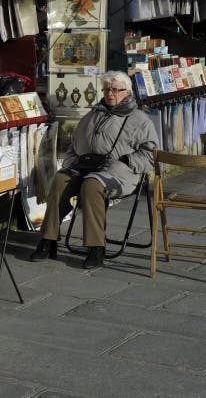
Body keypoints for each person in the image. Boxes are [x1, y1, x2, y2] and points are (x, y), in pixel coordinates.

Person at [30, 71, 159, 269]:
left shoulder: (140, 120)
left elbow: (151, 154)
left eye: (116, 90)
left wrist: (126, 160)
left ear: (128, 91)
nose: (110, 93)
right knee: (60, 180)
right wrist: (73, 162)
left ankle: (96, 247)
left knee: (91, 185)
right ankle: (48, 240)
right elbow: (73, 145)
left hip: (120, 172)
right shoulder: (93, 114)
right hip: (85, 167)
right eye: (107, 89)